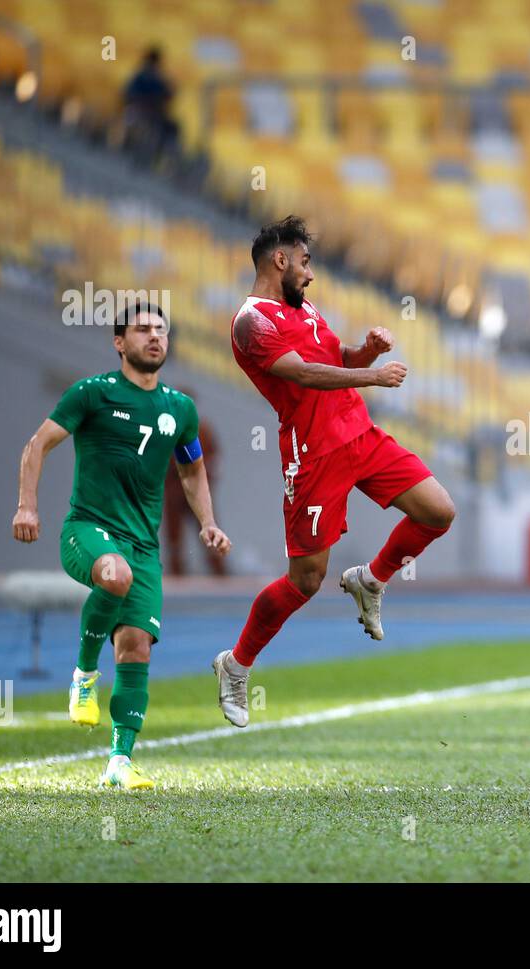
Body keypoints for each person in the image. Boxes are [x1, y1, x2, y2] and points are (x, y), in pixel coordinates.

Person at [213, 216, 455, 728]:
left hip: (360, 434)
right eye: (304, 263)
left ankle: (371, 579)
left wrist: (368, 351)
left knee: (438, 511)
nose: (310, 274)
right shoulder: (250, 323)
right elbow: (302, 373)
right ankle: (236, 664)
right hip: (313, 453)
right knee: (305, 581)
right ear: (280, 260)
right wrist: (372, 375)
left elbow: (334, 357)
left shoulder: (304, 308)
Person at [11, 302, 231, 789]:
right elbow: (37, 444)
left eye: (161, 329)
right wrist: (27, 506)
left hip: (143, 548)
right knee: (115, 574)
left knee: (135, 648)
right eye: (142, 329)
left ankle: (119, 760)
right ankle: (84, 675)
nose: (154, 336)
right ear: (118, 342)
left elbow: (192, 469)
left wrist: (208, 522)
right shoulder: (91, 393)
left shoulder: (180, 409)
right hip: (87, 530)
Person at [164, 415, 226, 576]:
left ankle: (219, 569)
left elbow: (213, 460)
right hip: (176, 493)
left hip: (196, 494)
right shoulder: (168, 430)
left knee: (209, 530)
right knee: (174, 538)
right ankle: (177, 571)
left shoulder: (202, 431)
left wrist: (207, 481)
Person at [122, 46, 179, 162]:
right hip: (141, 112)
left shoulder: (156, 78)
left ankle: (162, 156)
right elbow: (129, 95)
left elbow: (168, 96)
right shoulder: (143, 77)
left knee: (171, 128)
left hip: (152, 114)